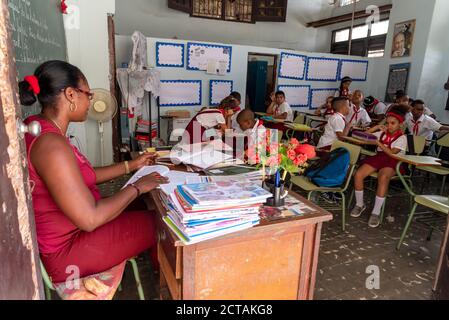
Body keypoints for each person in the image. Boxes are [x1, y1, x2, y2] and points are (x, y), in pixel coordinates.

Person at [20, 60, 169, 283]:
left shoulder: (39, 125)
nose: (91, 101)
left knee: (144, 202)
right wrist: (137, 186)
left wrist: (132, 166)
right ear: (71, 94)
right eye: (88, 94)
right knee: (164, 222)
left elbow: (81, 177)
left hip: (74, 232)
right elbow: (90, 219)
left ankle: (159, 267)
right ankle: (166, 281)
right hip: (68, 250)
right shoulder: (51, 146)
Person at [350, 104, 410, 228]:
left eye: (393, 123)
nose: (389, 126)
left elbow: (392, 153)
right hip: (379, 157)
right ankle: (360, 204)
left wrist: (377, 142)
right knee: (358, 174)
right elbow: (362, 135)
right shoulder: (382, 133)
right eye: (387, 123)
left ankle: (376, 212)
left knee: (383, 178)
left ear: (400, 124)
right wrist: (376, 127)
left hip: (393, 161)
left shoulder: (402, 138)